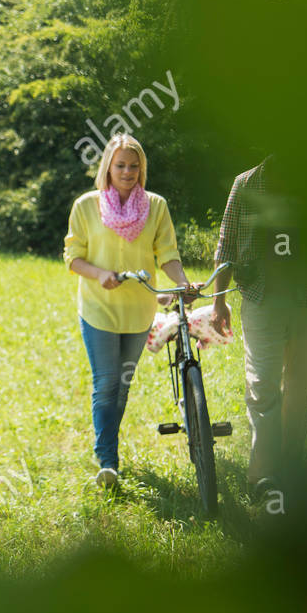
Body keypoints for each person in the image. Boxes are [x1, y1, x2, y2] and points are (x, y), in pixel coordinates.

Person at [64, 133, 196, 489]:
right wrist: (99, 274)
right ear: (108, 166)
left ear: (142, 169)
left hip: (139, 310)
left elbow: (167, 254)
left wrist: (182, 282)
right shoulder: (86, 206)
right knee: (106, 383)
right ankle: (108, 460)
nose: (127, 172)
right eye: (120, 165)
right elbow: (73, 257)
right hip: (99, 309)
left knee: (121, 387)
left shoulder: (156, 206)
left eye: (134, 166)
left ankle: (109, 449)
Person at [211, 155, 307, 497]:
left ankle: (290, 466)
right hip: (261, 296)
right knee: (262, 386)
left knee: (300, 387)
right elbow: (227, 242)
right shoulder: (246, 183)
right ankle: (264, 477)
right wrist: (218, 300)